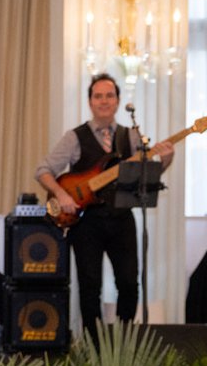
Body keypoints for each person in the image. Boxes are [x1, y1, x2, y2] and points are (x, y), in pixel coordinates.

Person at [36, 72, 175, 337]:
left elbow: (146, 177)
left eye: (109, 95)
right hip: (86, 222)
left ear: (118, 101)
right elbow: (43, 170)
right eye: (98, 96)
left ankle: (122, 342)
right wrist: (61, 195)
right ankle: (93, 345)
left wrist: (166, 160)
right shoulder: (74, 137)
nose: (104, 101)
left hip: (122, 219)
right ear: (90, 102)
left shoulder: (132, 136)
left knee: (129, 283)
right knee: (90, 285)